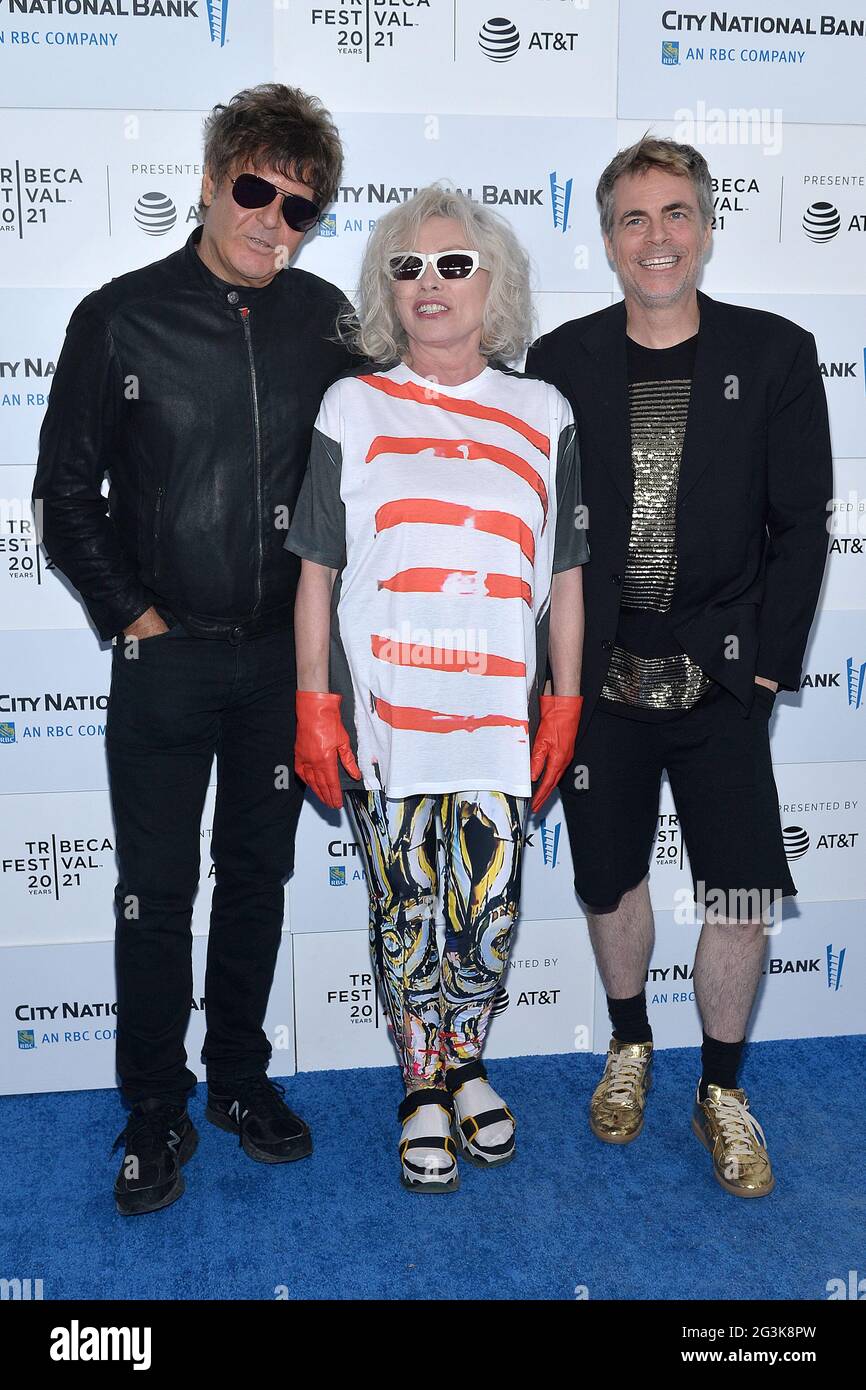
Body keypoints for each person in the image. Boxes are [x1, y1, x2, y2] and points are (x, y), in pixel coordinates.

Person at [33, 84, 356, 1215]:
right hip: (162, 660)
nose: (274, 222)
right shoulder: (119, 316)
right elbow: (62, 499)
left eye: (301, 207)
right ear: (214, 178)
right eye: (257, 192)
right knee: (155, 893)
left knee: (258, 881)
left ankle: (235, 1079)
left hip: (280, 662)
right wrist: (137, 619)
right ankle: (153, 1106)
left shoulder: (327, 320)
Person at [526, 137, 832, 1198]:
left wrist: (760, 676)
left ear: (703, 225)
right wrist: (549, 674)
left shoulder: (777, 352)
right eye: (632, 219)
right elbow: (540, 535)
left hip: (719, 676)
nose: (655, 238)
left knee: (740, 892)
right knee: (608, 881)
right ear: (605, 236)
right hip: (596, 678)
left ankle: (721, 1089)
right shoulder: (558, 363)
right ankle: (626, 1043)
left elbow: (800, 527)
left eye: (674, 215)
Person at [286, 186, 587, 1191]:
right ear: (386, 287)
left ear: (489, 282)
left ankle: (467, 1063)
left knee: (487, 913)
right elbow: (317, 571)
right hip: (387, 722)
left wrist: (566, 700)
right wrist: (313, 702)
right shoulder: (350, 405)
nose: (427, 284)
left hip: (502, 721)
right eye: (407, 266)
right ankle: (420, 1081)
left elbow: (564, 577)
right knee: (403, 907)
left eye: (452, 264)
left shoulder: (543, 412)